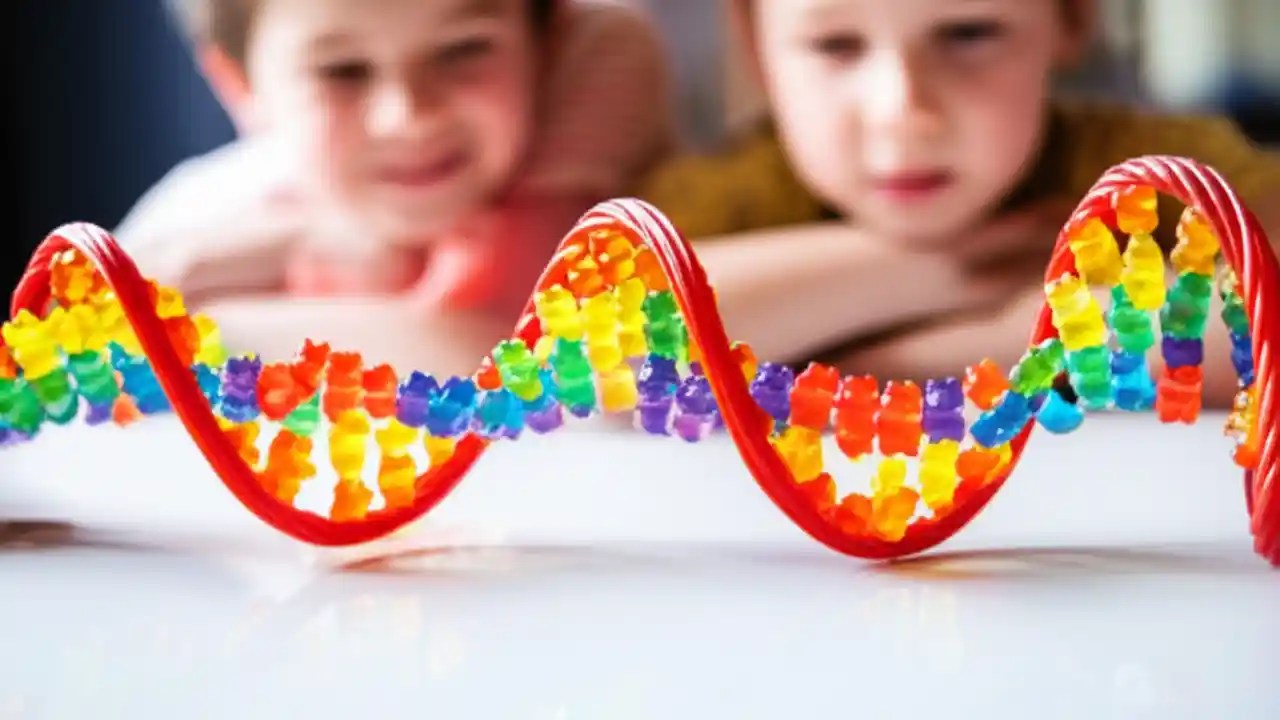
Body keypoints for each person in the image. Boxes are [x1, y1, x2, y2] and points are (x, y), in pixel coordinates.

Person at [638, 0, 1280, 407]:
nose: (903, 114)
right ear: (753, 39)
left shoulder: (1160, 177)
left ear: (1073, 16)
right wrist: (935, 269)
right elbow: (608, 347)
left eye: (969, 32)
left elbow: (1267, 320)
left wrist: (865, 361)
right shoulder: (728, 196)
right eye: (836, 45)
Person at [117, 0, 674, 376]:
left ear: (548, 46)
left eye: (462, 49)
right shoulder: (199, 214)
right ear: (240, 84)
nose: (408, 117)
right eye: (343, 70)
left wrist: (193, 329)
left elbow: (515, 358)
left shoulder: (601, 143)